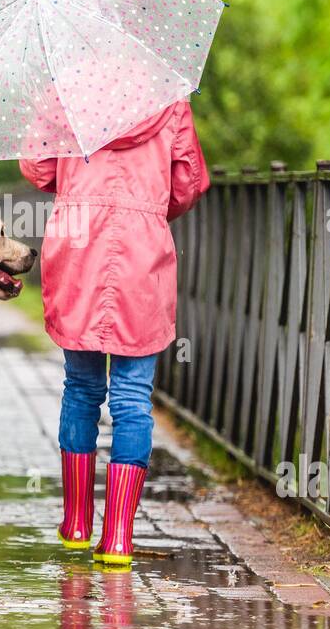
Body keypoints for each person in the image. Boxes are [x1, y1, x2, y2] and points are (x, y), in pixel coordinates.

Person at [19, 98, 210, 566]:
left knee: (80, 387)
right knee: (133, 397)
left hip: (78, 245)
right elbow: (188, 185)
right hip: (142, 250)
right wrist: (148, 202)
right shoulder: (169, 97)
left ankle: (78, 522)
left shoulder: (66, 90)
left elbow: (37, 168)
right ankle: (120, 536)